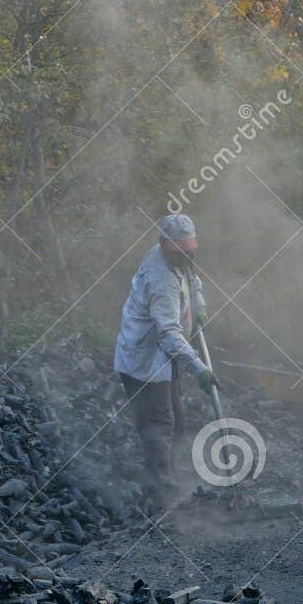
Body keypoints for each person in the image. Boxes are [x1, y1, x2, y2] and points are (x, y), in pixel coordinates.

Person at [114, 212, 216, 511]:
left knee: (178, 424)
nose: (184, 256)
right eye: (178, 251)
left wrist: (200, 307)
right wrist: (199, 369)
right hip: (144, 362)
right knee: (159, 427)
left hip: (164, 358)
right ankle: (165, 500)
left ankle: (159, 485)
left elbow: (193, 278)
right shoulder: (161, 279)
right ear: (163, 245)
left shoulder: (182, 256)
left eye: (188, 250)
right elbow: (168, 333)